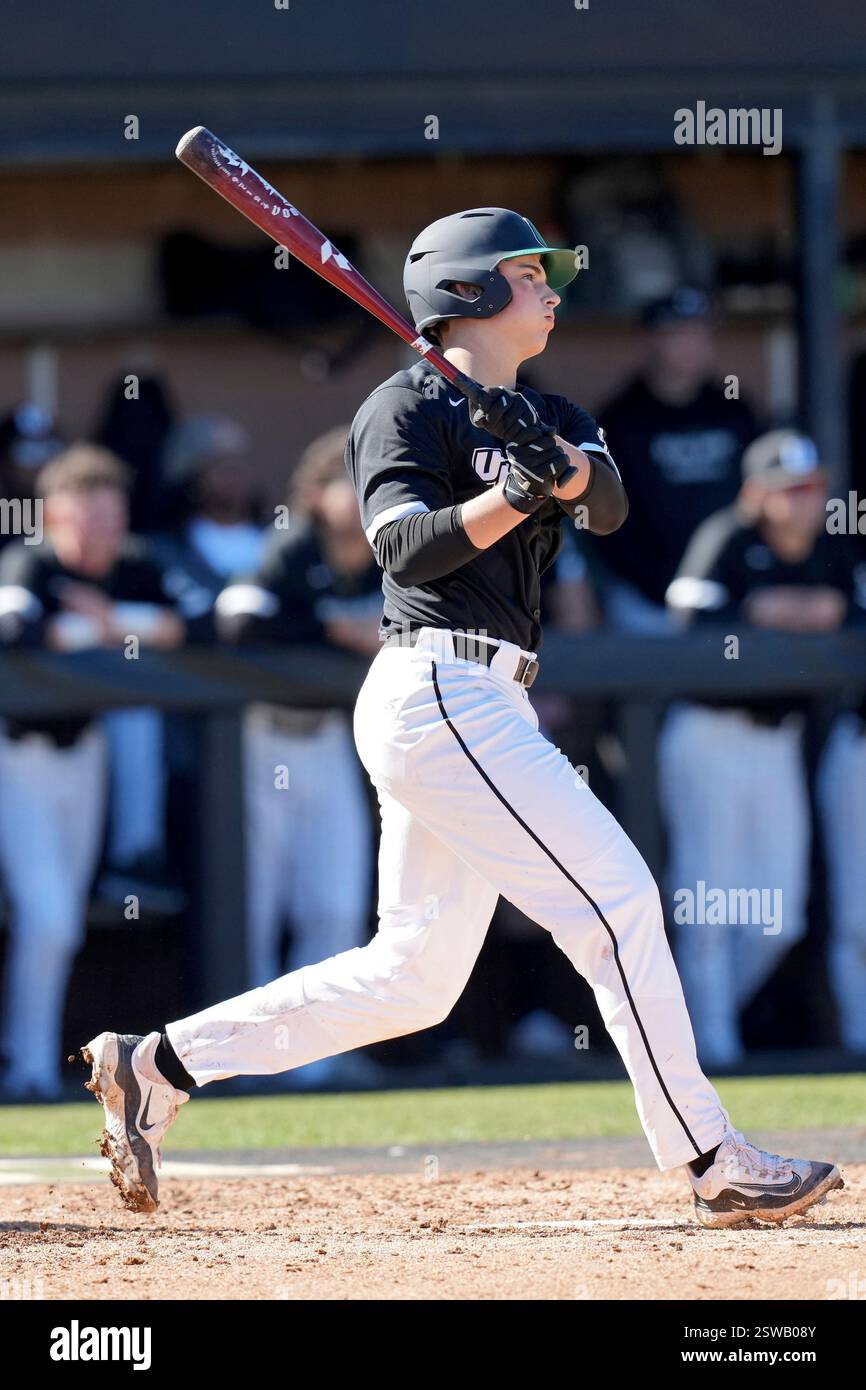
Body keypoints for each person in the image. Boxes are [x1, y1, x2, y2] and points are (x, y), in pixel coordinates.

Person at [81, 208, 843, 1229]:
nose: (554, 292)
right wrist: (511, 493)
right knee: (615, 899)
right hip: (435, 685)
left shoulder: (550, 404)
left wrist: (552, 465)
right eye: (531, 275)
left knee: (412, 976)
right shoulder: (402, 407)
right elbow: (403, 549)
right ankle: (711, 1157)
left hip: (490, 694)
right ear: (469, 292)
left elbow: (606, 504)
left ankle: (156, 1064)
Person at [660, 430, 866, 1069]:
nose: (809, 501)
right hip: (709, 734)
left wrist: (788, 607)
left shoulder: (834, 550)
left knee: (779, 915)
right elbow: (690, 622)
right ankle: (712, 1051)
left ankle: (699, 1029)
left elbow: (853, 615)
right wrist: (768, 610)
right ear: (758, 494)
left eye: (814, 488)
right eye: (792, 490)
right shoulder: (728, 536)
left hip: (778, 742)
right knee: (709, 898)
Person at [0, 444, 185, 1099]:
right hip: (19, 757)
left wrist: (105, 621)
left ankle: (32, 1062)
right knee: (47, 918)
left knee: (65, 921)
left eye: (111, 517)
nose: (102, 532)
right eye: (88, 518)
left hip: (84, 755)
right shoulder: (31, 561)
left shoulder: (134, 566)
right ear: (55, 518)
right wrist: (88, 631)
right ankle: (24, 1067)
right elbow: (17, 629)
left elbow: (188, 625)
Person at [214, 424, 383, 1089]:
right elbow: (237, 621)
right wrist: (332, 629)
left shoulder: (386, 555)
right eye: (354, 484)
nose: (371, 497)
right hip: (262, 738)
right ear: (317, 496)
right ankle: (243, 1056)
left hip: (330, 738)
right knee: (256, 905)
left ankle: (319, 1056)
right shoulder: (291, 546)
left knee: (336, 904)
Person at [588, 287, 759, 631]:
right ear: (651, 339)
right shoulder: (620, 420)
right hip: (645, 600)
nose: (692, 344)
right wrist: (661, 583)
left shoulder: (735, 412)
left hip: (730, 596)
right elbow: (602, 518)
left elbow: (757, 501)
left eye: (700, 332)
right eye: (679, 332)